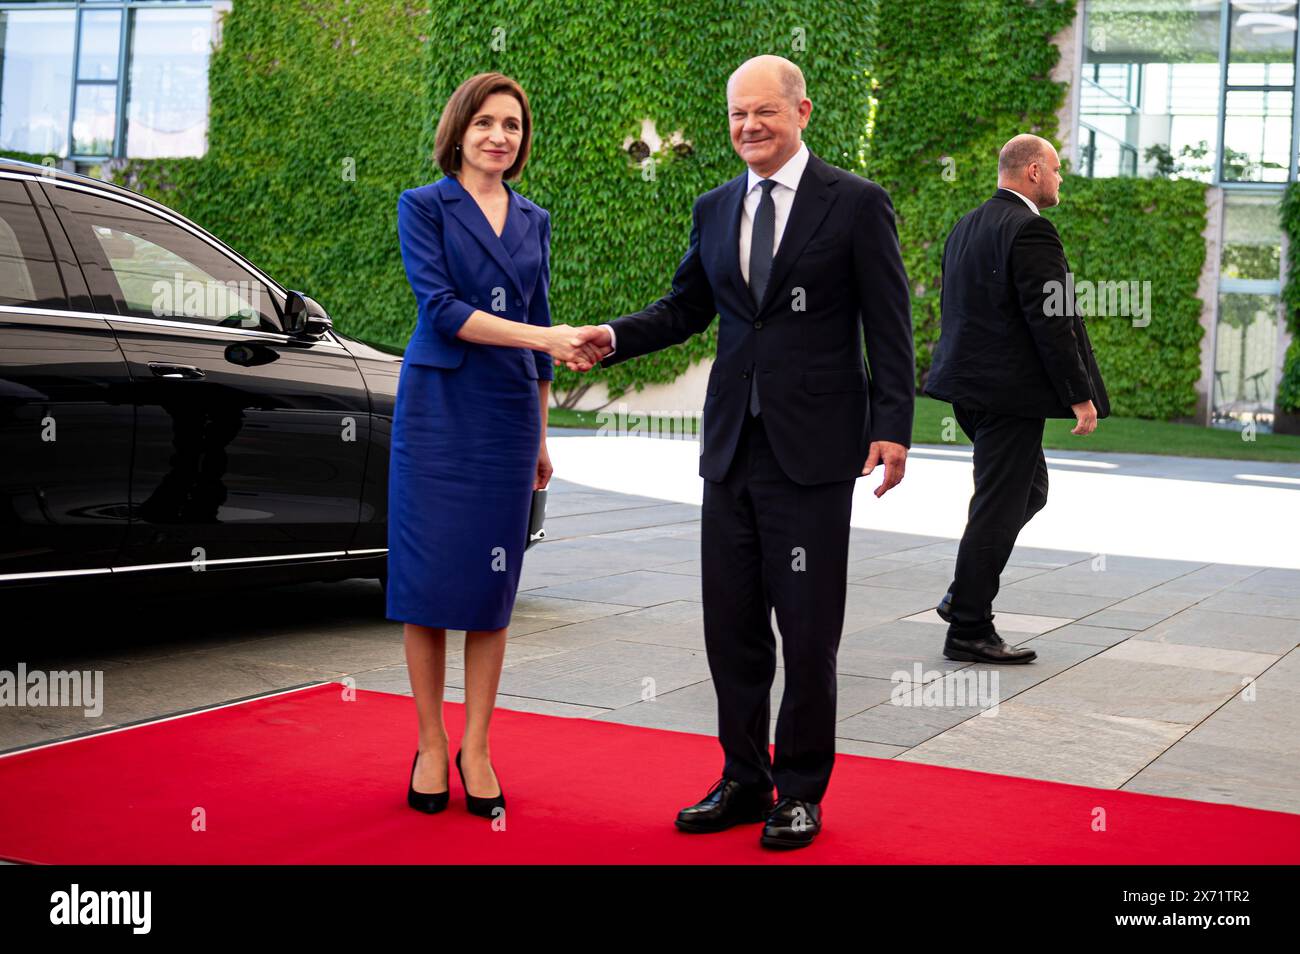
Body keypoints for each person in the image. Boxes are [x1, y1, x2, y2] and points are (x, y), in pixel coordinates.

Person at [569, 55, 915, 849]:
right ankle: (742, 778)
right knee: (731, 628)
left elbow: (888, 323)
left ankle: (800, 791)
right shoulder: (714, 204)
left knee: (807, 630)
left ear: (803, 111)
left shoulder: (856, 205)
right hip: (731, 449)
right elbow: (688, 306)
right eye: (735, 115)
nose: (748, 126)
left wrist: (891, 423)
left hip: (817, 451)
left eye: (764, 111)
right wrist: (613, 338)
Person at [389, 72, 602, 818]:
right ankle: (426, 741)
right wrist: (541, 334)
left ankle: (476, 745)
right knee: (428, 580)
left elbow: (541, 345)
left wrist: (542, 435)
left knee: (491, 587)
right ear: (460, 129)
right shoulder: (423, 206)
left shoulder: (535, 218)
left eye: (512, 125)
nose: (499, 137)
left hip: (509, 417)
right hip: (441, 409)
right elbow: (443, 311)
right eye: (485, 122)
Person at [924, 133, 1109, 664]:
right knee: (997, 506)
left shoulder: (967, 225)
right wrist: (1080, 395)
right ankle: (968, 630)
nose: (1059, 179)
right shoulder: (1032, 230)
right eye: (1055, 169)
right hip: (1007, 396)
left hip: (971, 391)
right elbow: (1053, 321)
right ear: (1032, 171)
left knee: (1029, 491)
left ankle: (964, 593)